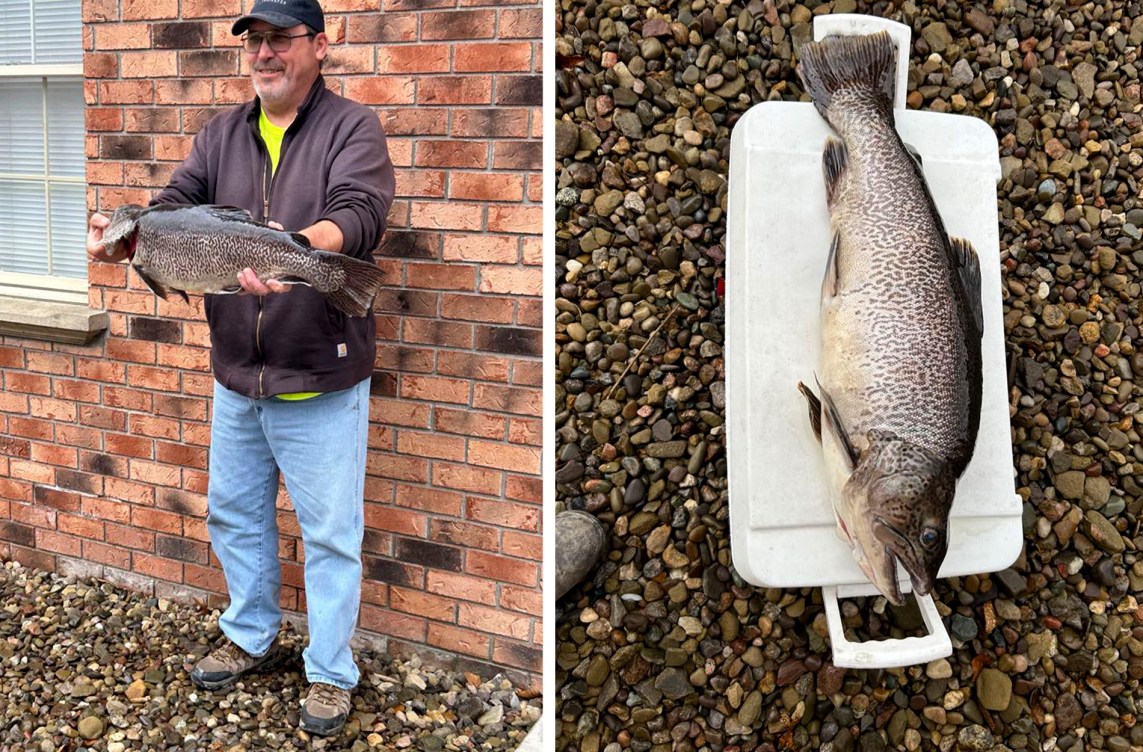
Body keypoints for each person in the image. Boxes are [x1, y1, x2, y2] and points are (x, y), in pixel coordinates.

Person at [86, 0, 395, 736]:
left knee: (327, 534)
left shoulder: (351, 127)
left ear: (318, 46)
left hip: (320, 373)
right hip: (238, 376)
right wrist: (122, 236)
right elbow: (171, 207)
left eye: (279, 39)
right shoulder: (220, 133)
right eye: (254, 41)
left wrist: (293, 250)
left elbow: (360, 211)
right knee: (236, 515)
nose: (263, 54)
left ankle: (328, 672)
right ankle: (252, 636)